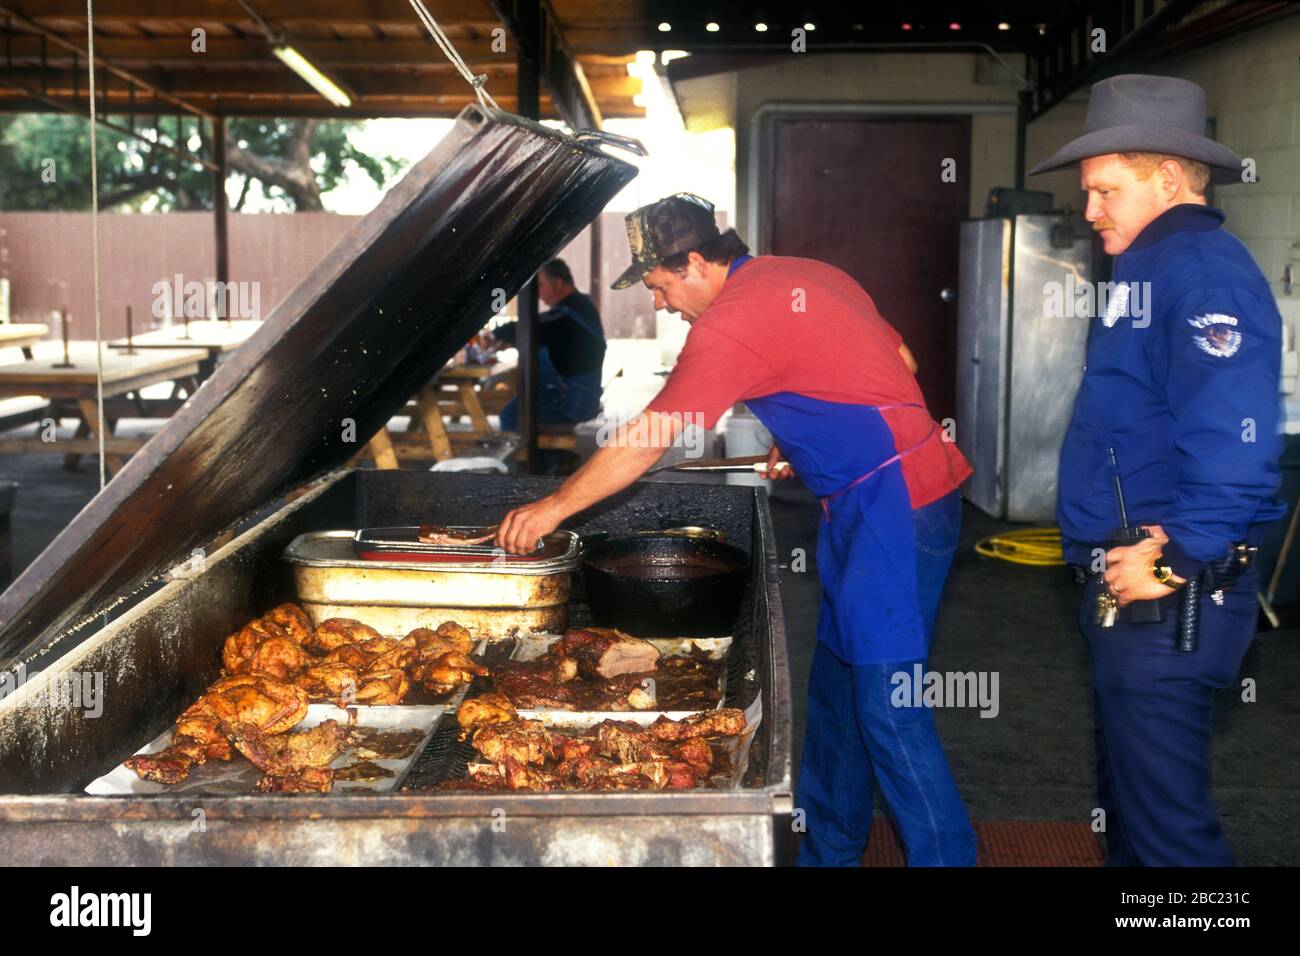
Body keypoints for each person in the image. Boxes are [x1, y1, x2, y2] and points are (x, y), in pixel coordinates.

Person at [495, 192, 977, 866]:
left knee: (888, 708)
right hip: (873, 502)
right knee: (839, 693)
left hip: (897, 504)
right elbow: (898, 360)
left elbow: (649, 438)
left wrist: (552, 508)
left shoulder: (730, 322)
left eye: (660, 286)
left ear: (695, 262)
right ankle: (828, 855)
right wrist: (806, 432)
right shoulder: (802, 273)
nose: (660, 304)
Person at [1030, 74, 1286, 865]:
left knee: (1169, 835)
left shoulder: (1201, 275)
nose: (1090, 209)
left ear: (1169, 179)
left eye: (1105, 190)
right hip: (1132, 583)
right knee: (1131, 819)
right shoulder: (1152, 267)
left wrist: (1177, 560)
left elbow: (1235, 441)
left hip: (1171, 593)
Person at [492, 258, 606, 433]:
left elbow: (530, 327)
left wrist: (494, 334)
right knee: (521, 403)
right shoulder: (580, 306)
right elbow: (543, 330)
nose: (538, 293)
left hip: (573, 403)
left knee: (511, 415)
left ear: (558, 283)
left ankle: (528, 452)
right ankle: (541, 450)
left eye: (540, 285)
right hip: (579, 397)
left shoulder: (566, 315)